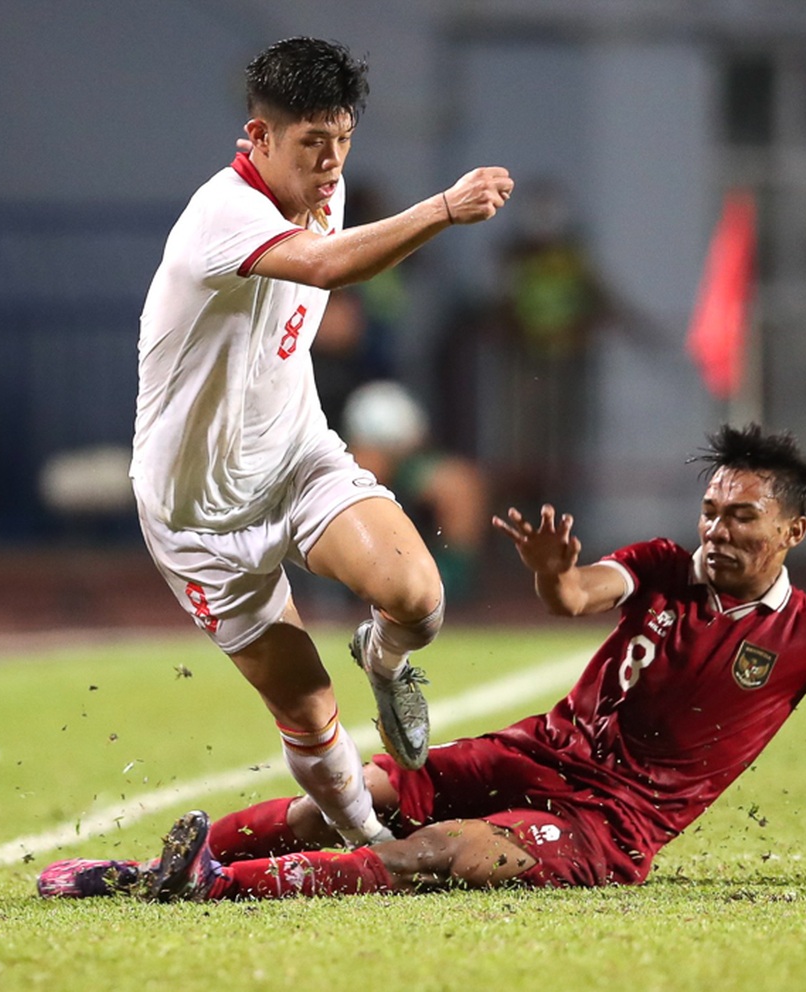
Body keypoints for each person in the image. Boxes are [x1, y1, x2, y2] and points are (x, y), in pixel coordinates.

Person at [41, 423, 806, 899]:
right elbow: (576, 597)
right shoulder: (661, 564)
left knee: (446, 850)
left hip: (613, 824)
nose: (717, 530)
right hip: (539, 753)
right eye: (712, 510)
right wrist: (551, 573)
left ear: (792, 530)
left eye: (741, 518)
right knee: (356, 792)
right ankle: (142, 874)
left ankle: (210, 889)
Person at [129, 36, 514, 848]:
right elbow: (330, 267)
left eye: (342, 141)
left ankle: (383, 659)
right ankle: (372, 841)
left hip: (298, 459)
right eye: (312, 144)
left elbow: (330, 258)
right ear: (258, 138)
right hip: (198, 515)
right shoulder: (221, 215)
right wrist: (442, 207)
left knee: (419, 599)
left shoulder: (320, 189)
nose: (332, 163)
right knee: (305, 708)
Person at [342, 380, 489, 603]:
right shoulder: (341, 467)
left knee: (459, 484)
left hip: (419, 570)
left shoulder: (412, 465)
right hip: (359, 568)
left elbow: (456, 484)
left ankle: (447, 581)